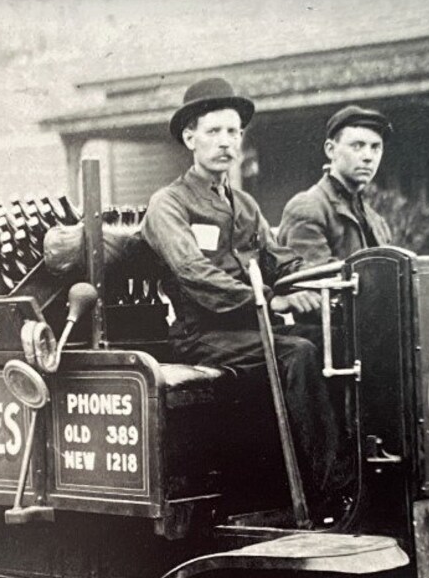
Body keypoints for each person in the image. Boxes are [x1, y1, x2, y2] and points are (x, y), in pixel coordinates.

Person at [139, 77, 352, 513]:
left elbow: (280, 258)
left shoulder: (246, 206)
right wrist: (270, 300)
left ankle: (364, 468)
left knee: (340, 339)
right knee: (299, 353)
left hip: (250, 328)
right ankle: (332, 492)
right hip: (203, 335)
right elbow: (193, 272)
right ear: (190, 138)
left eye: (234, 132)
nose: (226, 142)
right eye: (214, 131)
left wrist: (309, 281)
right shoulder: (169, 204)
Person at [279, 105, 394, 269]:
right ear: (330, 150)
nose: (368, 157)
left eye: (376, 147)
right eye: (357, 146)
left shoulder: (376, 222)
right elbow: (314, 281)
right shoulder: (308, 209)